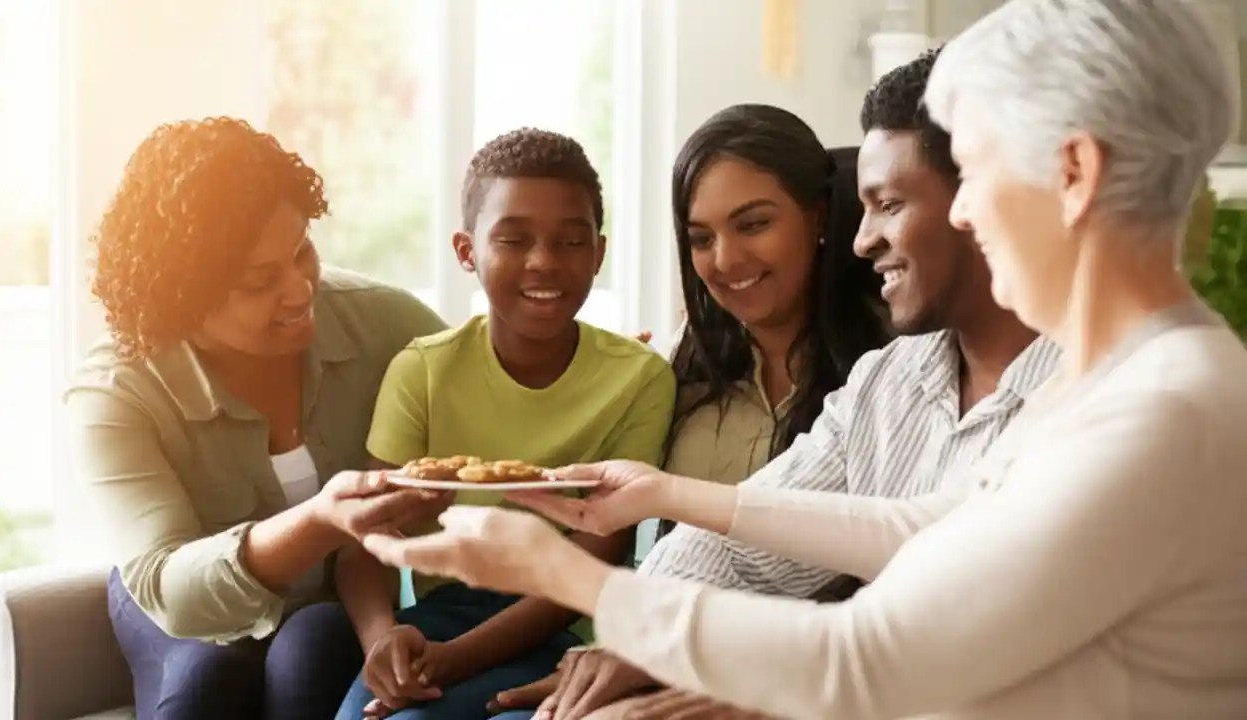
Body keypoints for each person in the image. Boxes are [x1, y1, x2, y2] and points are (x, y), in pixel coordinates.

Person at [363, 1, 1247, 717]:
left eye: (973, 174)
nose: (968, 216)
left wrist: (559, 570)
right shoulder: (1124, 384)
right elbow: (924, 525)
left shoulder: (1164, 412)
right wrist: (666, 494)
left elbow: (868, 662)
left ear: (1074, 172)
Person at [501, 46, 1059, 720]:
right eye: (701, 236)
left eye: (887, 205)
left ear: (982, 199)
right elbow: (744, 543)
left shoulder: (1101, 395)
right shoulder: (888, 381)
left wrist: (764, 693)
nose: (864, 241)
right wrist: (648, 638)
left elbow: (999, 635)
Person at [483, 103, 891, 720]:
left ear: (818, 217)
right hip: (659, 647)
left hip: (799, 675)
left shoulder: (892, 371)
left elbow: (889, 588)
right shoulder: (681, 361)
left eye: (753, 225)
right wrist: (620, 650)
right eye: (701, 238)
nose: (724, 261)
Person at [65, 118, 451, 720]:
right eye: (259, 281)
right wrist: (320, 521)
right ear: (180, 299)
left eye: (301, 251)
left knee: (314, 649)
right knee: (203, 679)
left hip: (331, 602)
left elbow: (491, 385)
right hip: (176, 608)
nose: (299, 290)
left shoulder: (388, 326)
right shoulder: (116, 392)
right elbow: (172, 590)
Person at [332, 128, 676, 720]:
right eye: (513, 239)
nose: (543, 261)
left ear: (598, 251)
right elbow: (362, 543)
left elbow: (597, 556)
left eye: (570, 240)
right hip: (441, 620)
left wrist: (453, 661)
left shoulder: (639, 380)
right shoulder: (423, 371)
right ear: (467, 252)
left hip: (564, 633)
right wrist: (382, 640)